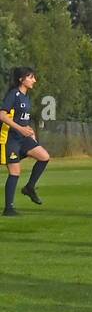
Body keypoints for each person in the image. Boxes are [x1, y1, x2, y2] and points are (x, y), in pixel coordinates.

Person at [0, 67, 52, 215]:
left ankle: (29, 187)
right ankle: (8, 209)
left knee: (44, 157)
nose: (34, 80)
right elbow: (2, 115)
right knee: (15, 172)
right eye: (31, 77)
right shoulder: (13, 95)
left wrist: (29, 131)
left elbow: (22, 120)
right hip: (11, 139)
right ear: (21, 79)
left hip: (23, 138)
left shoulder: (26, 97)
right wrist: (20, 129)